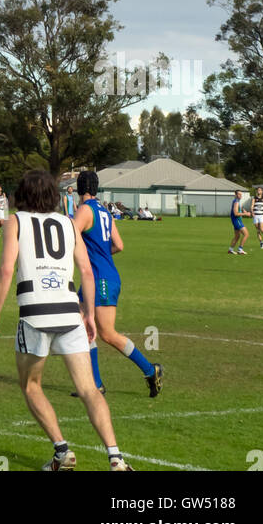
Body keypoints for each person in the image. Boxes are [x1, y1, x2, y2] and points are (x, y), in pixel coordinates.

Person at [0, 168, 132, 472]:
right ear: (52, 195)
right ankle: (116, 458)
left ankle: (62, 451)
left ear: (21, 194)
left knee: (31, 385)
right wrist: (89, 314)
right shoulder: (67, 222)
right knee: (89, 389)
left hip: (36, 313)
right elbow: (87, 272)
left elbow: (6, 270)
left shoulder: (15, 222)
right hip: (70, 311)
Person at [73, 170, 163, 398]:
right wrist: (101, 254)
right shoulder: (104, 211)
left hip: (100, 279)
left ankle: (150, 369)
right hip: (98, 276)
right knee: (84, 329)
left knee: (107, 334)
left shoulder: (84, 210)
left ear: (81, 187)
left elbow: (70, 236)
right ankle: (95, 384)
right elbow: (119, 245)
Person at [228, 190, 249, 255]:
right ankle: (240, 249)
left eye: (241, 194)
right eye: (239, 194)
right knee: (246, 234)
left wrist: (243, 210)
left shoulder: (237, 201)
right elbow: (236, 213)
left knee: (237, 236)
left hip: (236, 221)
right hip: (237, 220)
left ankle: (230, 250)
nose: (241, 196)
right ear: (236, 195)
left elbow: (239, 208)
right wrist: (245, 214)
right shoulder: (236, 202)